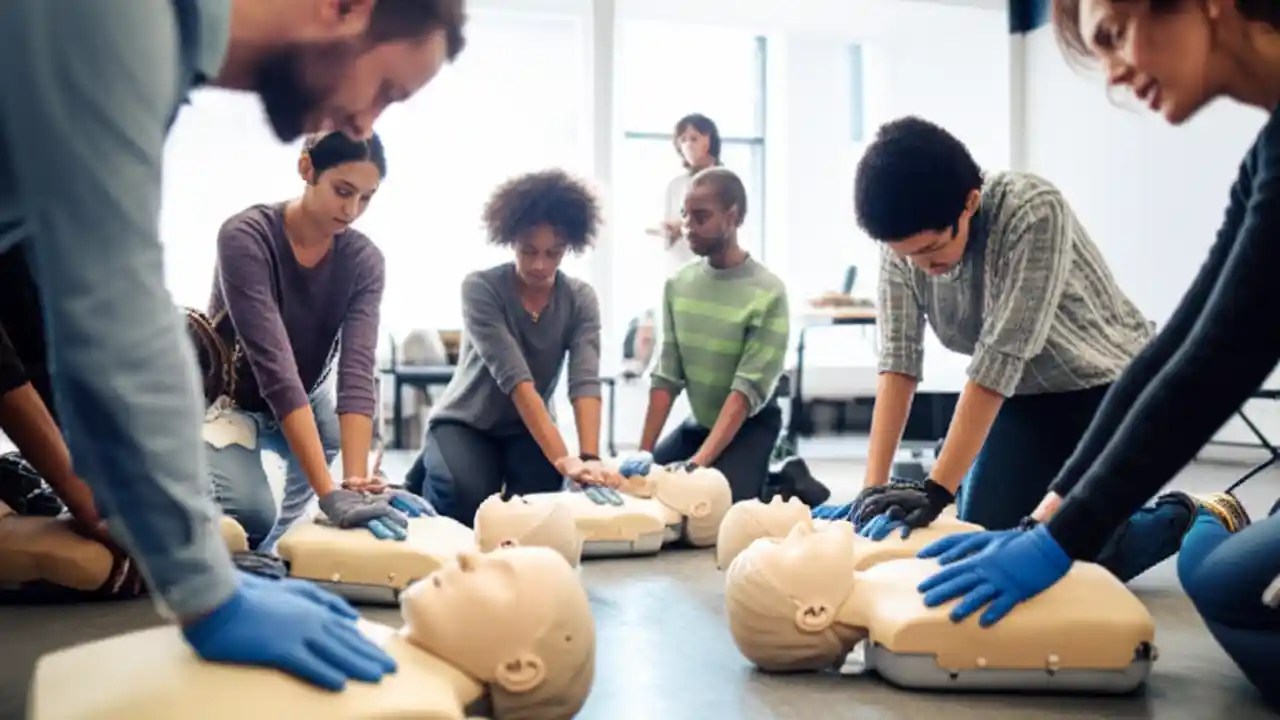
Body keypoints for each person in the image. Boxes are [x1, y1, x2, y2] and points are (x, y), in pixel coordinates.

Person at [0, 0, 466, 691]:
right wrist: (205, 590)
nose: (366, 126)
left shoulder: (154, 56)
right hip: (238, 407)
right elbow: (114, 311)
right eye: (386, 91)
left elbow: (44, 293)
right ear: (346, 8)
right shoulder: (118, 20)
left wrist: (104, 497)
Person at [915, 0, 1280, 708]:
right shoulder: (1267, 154)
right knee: (1220, 584)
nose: (1114, 74)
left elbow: (1221, 360)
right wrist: (1047, 519)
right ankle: (1209, 519)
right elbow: (1177, 347)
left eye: (1115, 36)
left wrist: (1063, 540)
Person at [814, 116, 1214, 585]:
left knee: (1064, 558)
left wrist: (937, 490)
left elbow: (997, 361)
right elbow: (899, 362)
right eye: (907, 257)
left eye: (931, 250)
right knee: (986, 537)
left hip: (1107, 386)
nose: (921, 266)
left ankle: (1179, 517)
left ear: (970, 204)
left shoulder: (1032, 211)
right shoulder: (904, 243)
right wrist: (871, 489)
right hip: (1023, 396)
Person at [205, 131, 433, 551]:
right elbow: (276, 369)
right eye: (342, 191)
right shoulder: (245, 237)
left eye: (366, 198)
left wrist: (355, 483)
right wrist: (330, 493)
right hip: (231, 404)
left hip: (307, 400)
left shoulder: (365, 261)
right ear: (306, 168)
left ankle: (286, 543)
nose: (352, 211)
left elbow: (356, 371)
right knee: (250, 515)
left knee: (338, 452)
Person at [405, 169, 615, 526]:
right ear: (510, 237)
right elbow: (516, 379)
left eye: (554, 252)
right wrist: (564, 458)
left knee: (538, 511)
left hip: (527, 430)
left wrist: (590, 457)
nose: (540, 264)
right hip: (466, 423)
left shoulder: (580, 299)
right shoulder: (481, 288)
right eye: (529, 250)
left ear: (570, 246)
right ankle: (424, 475)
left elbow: (584, 382)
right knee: (467, 500)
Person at [632, 167, 790, 503]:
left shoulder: (768, 293)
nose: (688, 227)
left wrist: (697, 465)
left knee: (707, 507)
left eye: (701, 217)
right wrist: (644, 454)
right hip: (701, 423)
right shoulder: (678, 286)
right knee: (643, 492)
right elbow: (667, 377)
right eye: (685, 216)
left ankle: (783, 481)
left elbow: (744, 392)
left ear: (732, 216)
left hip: (750, 425)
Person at [647, 114, 723, 278]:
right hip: (681, 271)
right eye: (683, 140)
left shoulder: (726, 182)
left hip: (717, 273)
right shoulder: (675, 185)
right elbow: (668, 237)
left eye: (694, 138)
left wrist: (684, 227)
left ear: (709, 141)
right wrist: (667, 231)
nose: (688, 145)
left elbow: (726, 226)